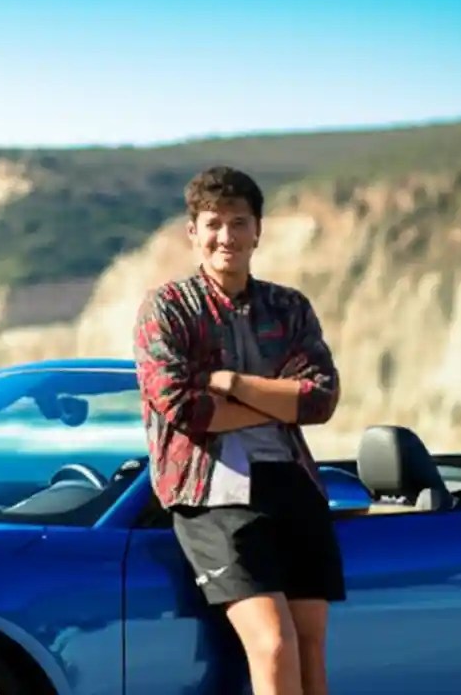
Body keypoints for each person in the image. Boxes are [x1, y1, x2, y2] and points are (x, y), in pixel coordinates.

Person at [133, 165, 345, 695]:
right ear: (193, 232)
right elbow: (185, 408)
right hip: (212, 493)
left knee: (310, 645)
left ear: (258, 231)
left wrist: (233, 384)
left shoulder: (289, 307)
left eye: (238, 223)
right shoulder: (167, 309)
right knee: (273, 643)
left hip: (293, 484)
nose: (225, 236)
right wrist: (278, 401)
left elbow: (319, 399)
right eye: (213, 224)